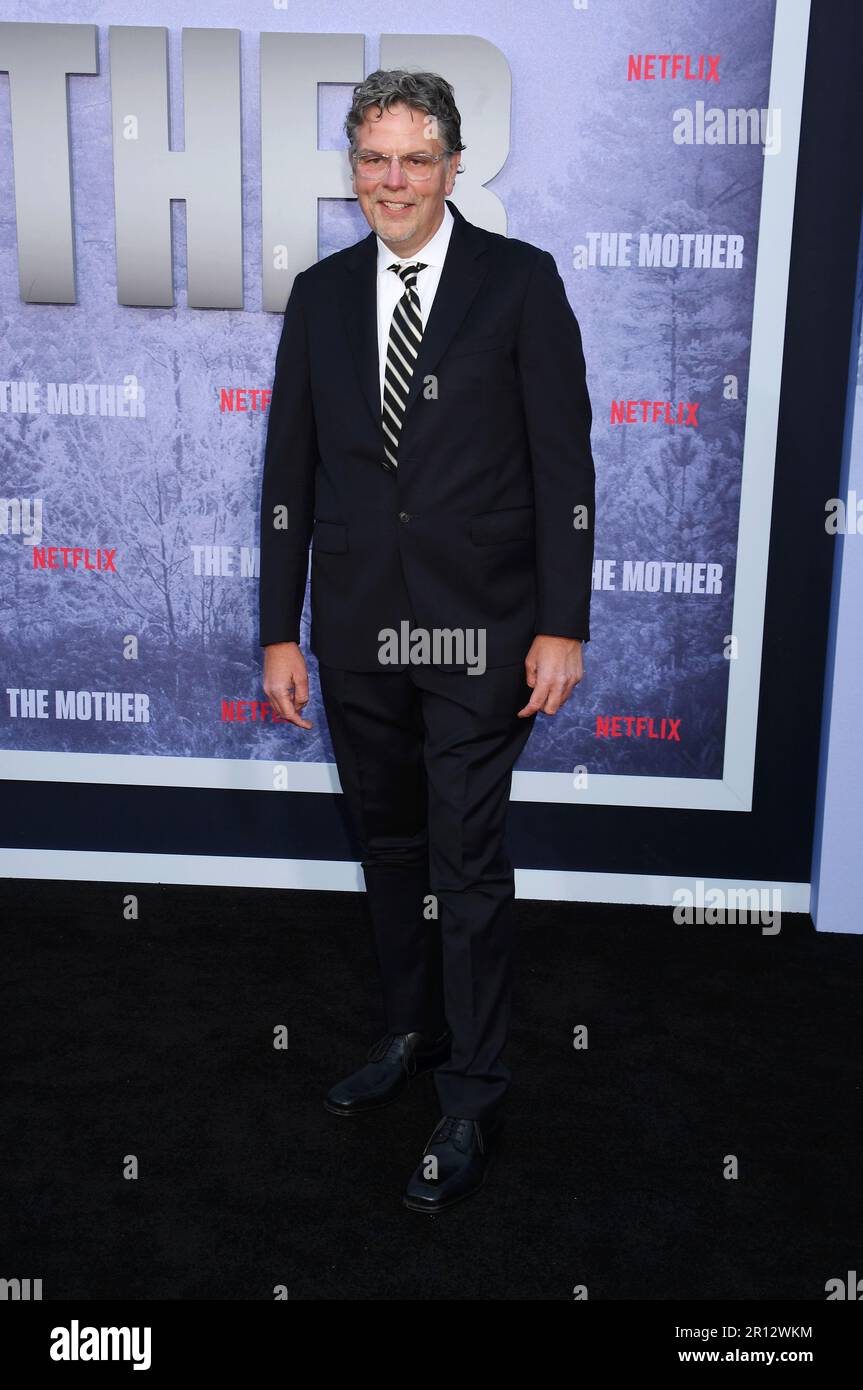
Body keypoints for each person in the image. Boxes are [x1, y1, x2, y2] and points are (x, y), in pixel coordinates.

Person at [258, 69, 595, 1213]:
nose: (390, 182)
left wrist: (560, 623)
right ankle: (409, 1031)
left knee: (466, 858)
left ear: (453, 164)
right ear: (351, 169)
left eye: (413, 158)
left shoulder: (519, 284)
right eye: (371, 159)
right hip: (353, 632)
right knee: (390, 849)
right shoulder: (318, 296)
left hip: (480, 630)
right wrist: (277, 632)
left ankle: (472, 1089)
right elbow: (287, 479)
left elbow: (563, 467)